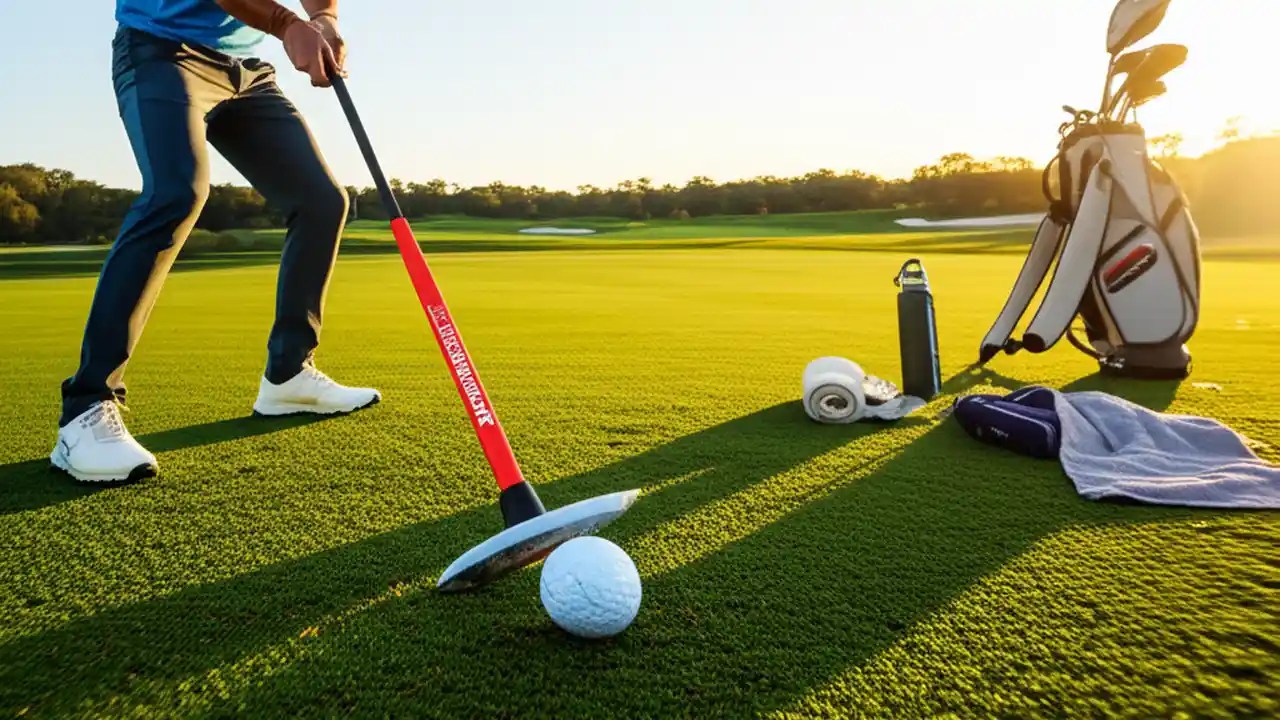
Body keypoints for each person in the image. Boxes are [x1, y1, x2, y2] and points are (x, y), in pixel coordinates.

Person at [52, 0, 380, 484]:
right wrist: (286, 24)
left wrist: (325, 19)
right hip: (162, 50)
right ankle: (86, 408)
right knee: (176, 193)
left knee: (322, 201)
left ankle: (288, 375)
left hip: (247, 73)